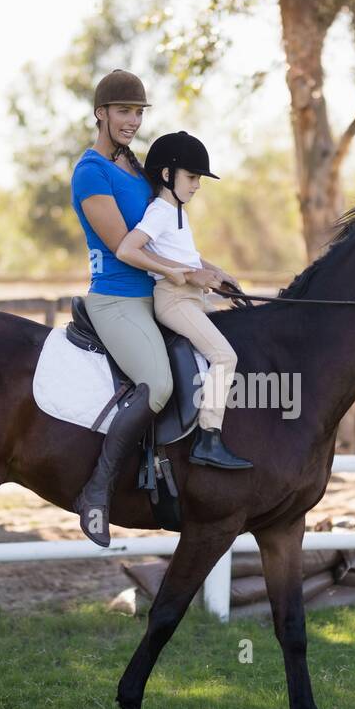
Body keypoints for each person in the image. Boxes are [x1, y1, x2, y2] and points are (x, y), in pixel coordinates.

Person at [68, 70, 221, 547]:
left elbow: (167, 238)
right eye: (123, 111)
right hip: (118, 299)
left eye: (138, 112)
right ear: (101, 113)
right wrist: (184, 275)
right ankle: (97, 491)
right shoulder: (91, 171)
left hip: (159, 295)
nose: (132, 120)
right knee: (157, 385)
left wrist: (210, 270)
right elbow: (122, 248)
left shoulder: (136, 168)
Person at [115, 130, 251, 471]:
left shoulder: (178, 212)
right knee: (224, 355)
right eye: (192, 177)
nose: (196, 185)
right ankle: (208, 439)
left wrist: (220, 274)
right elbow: (129, 249)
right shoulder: (160, 211)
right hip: (174, 299)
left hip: (193, 297)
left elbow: (191, 257)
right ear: (166, 175)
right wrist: (187, 276)